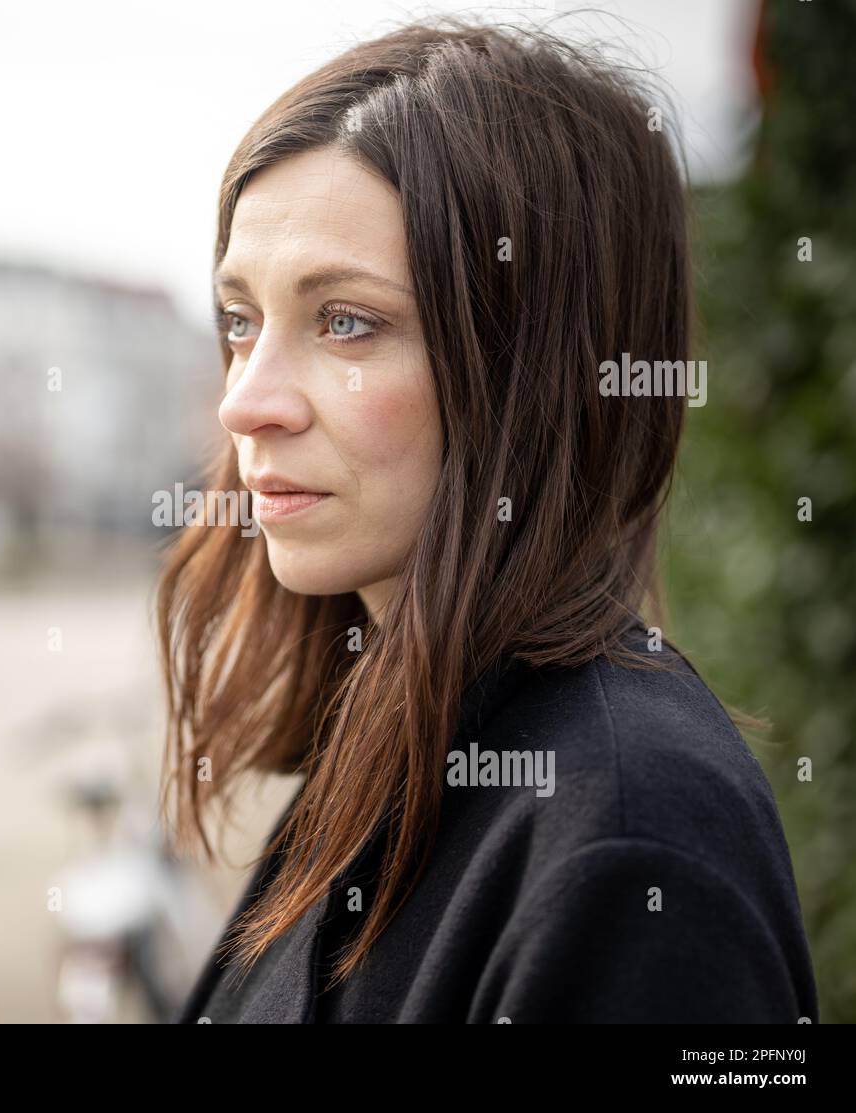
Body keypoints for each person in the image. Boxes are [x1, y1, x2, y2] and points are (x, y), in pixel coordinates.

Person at [153, 20, 818, 1023]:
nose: (246, 401)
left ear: (534, 373)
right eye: (241, 319)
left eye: (345, 321)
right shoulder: (396, 734)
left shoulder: (632, 841)